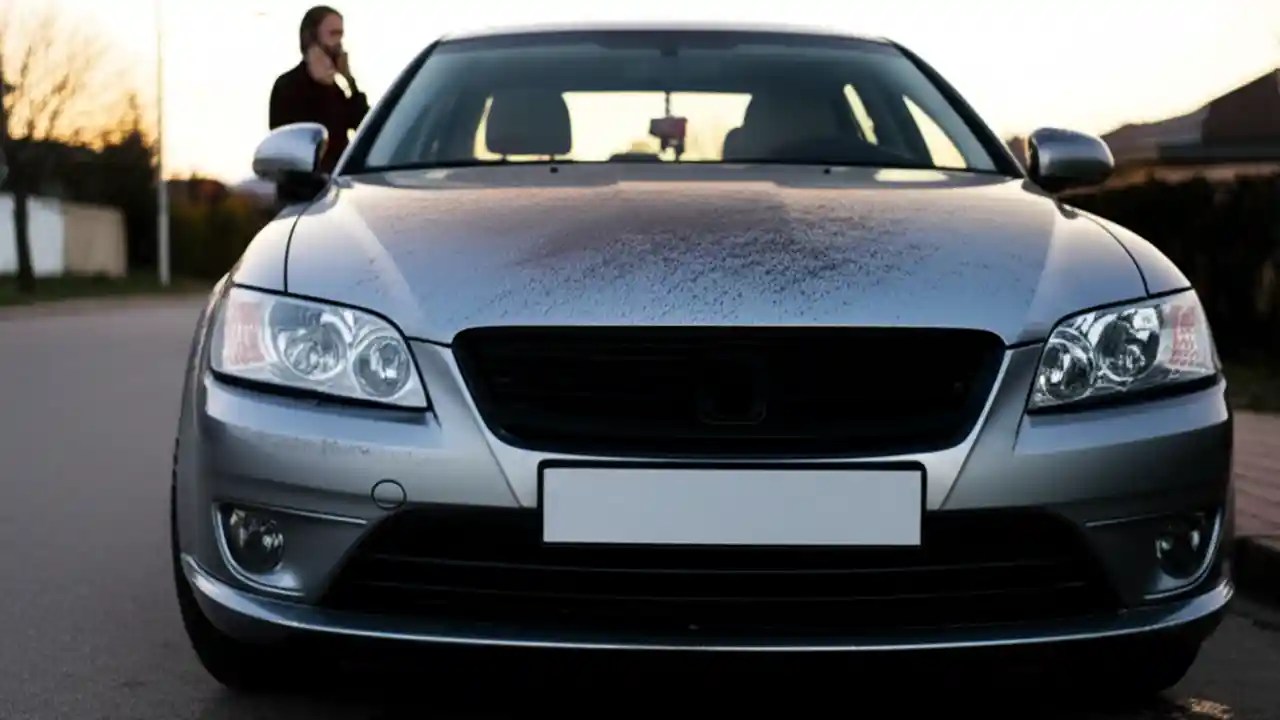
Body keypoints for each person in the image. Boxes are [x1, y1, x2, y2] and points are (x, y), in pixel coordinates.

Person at [268, 6, 370, 173]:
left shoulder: (337, 90)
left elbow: (365, 128)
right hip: (303, 189)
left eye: (340, 35)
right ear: (312, 39)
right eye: (333, 34)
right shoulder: (287, 86)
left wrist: (349, 80)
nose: (339, 44)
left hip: (338, 183)